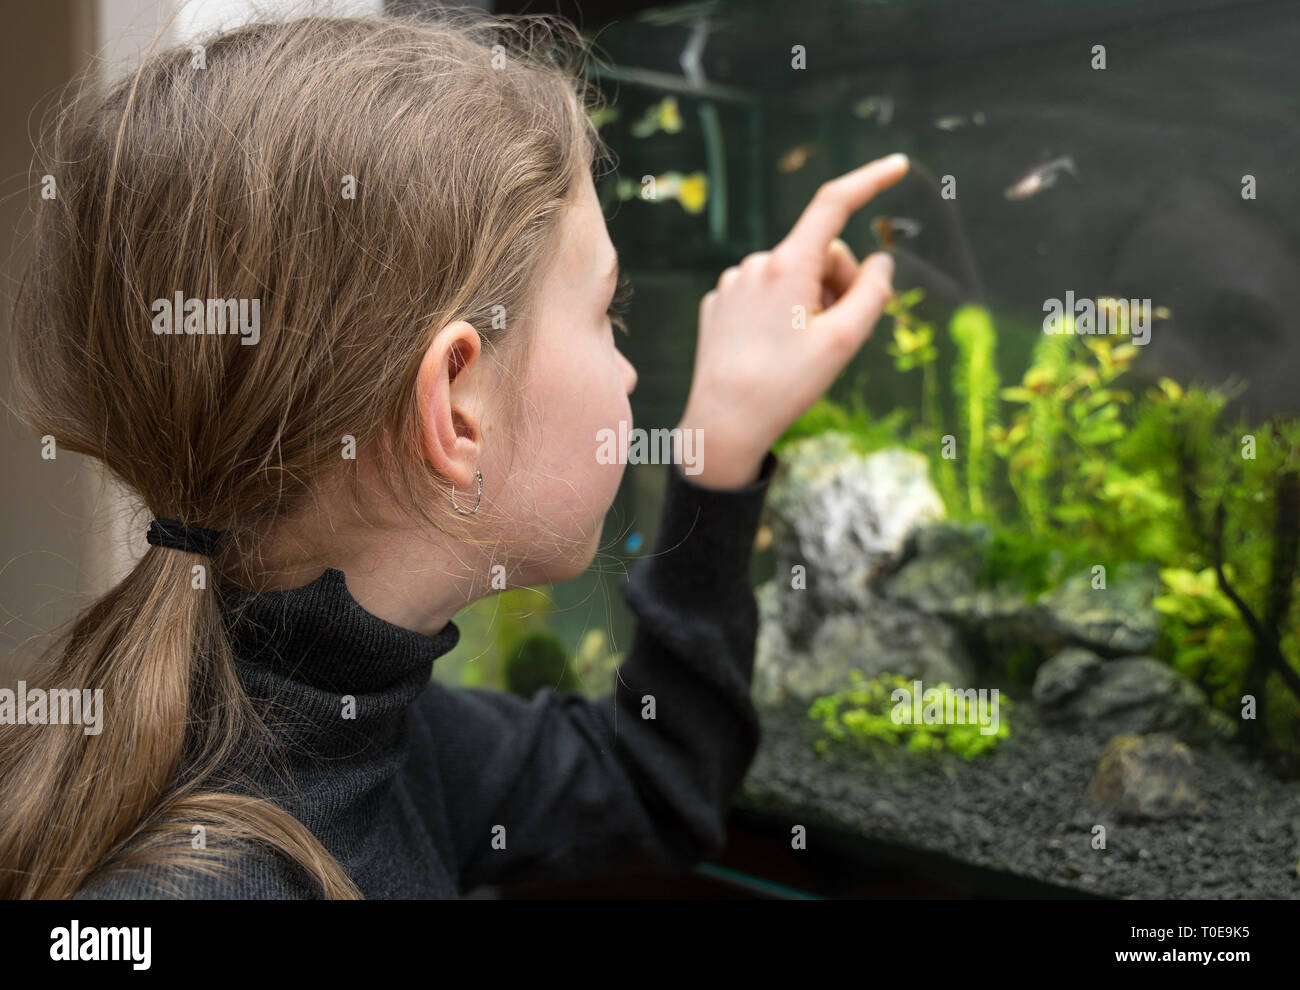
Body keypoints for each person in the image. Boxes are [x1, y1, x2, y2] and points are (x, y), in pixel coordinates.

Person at [1, 10, 906, 898]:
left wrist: (721, 445)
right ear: (458, 409)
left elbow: (649, 781)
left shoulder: (352, 723)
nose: (630, 369)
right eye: (606, 314)